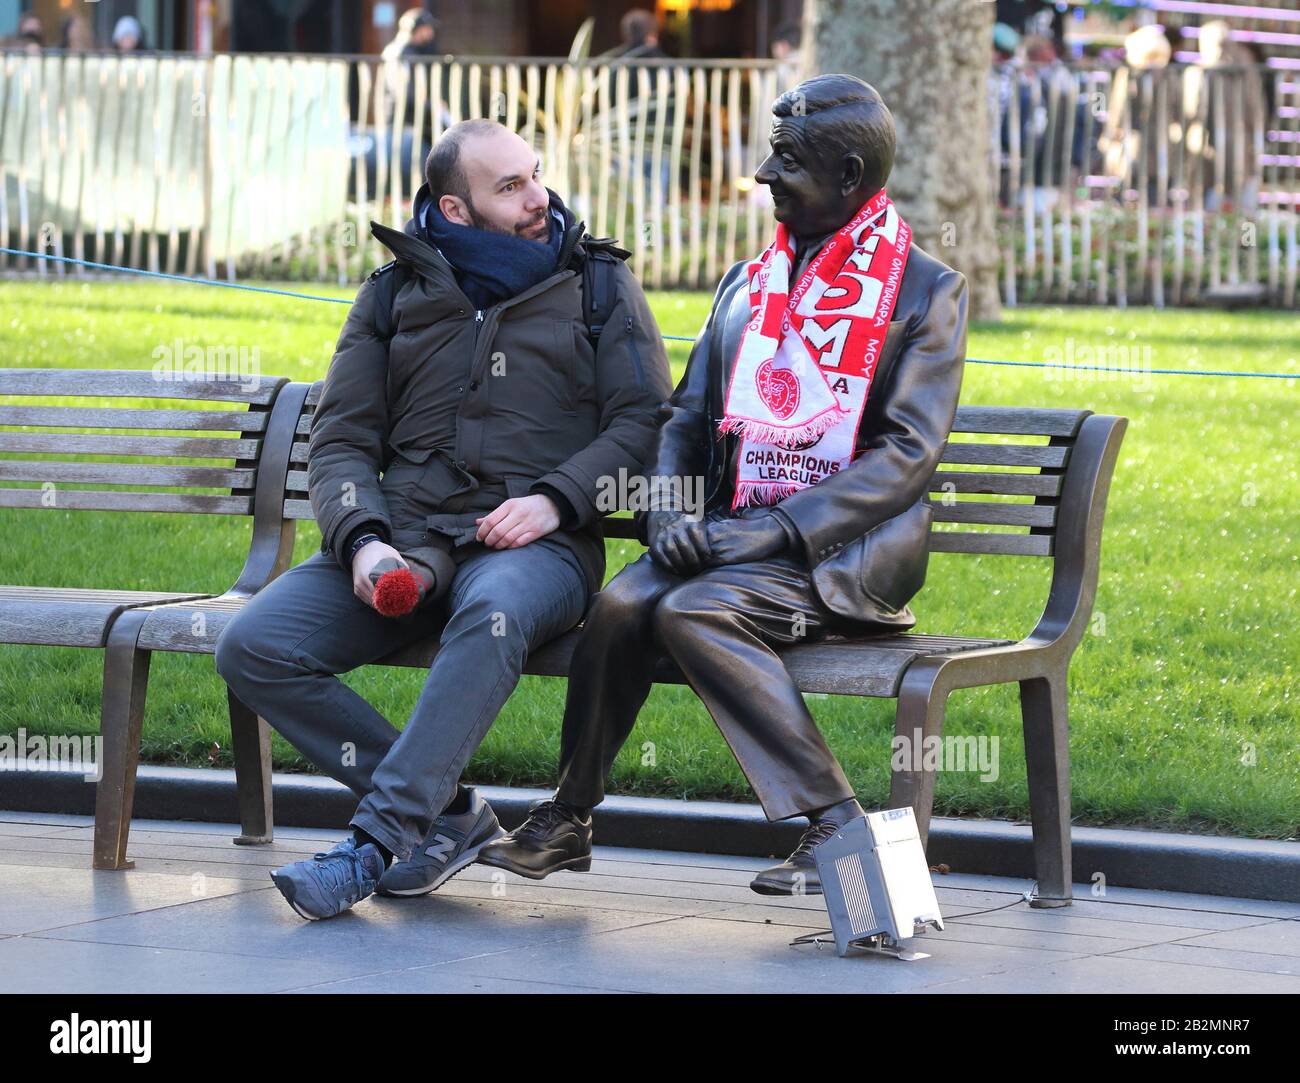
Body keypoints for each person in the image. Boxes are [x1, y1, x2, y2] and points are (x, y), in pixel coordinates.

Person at [479, 74, 968, 897]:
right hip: (726, 534)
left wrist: (775, 530)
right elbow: (684, 417)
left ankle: (839, 827)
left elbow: (906, 455)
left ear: (849, 177)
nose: (763, 174)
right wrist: (668, 511)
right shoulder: (749, 284)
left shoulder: (926, 294)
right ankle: (568, 816)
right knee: (627, 602)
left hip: (840, 551)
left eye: (787, 160)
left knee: (692, 608)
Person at [214, 119, 672, 920]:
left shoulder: (598, 286)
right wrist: (360, 539)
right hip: (407, 538)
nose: (539, 198)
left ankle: (374, 841)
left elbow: (644, 423)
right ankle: (451, 814)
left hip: (539, 545)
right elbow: (344, 439)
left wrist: (556, 498)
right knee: (255, 644)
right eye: (511, 187)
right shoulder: (393, 294)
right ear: (455, 210)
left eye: (535, 176)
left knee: (492, 615)